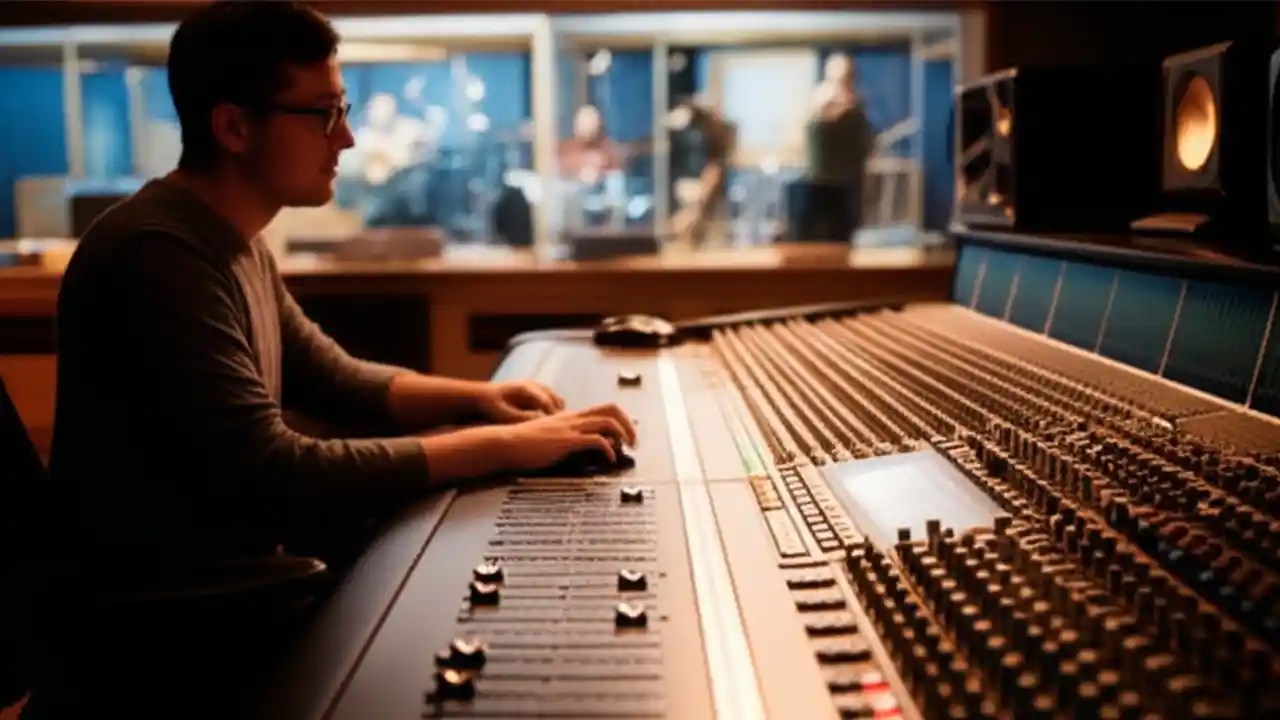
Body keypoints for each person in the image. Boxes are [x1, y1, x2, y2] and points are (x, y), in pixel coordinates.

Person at [34, 3, 636, 715]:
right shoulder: (157, 254)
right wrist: (499, 446)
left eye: (342, 109)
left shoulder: (233, 240)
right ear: (233, 127)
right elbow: (273, 467)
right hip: (168, 647)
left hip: (227, 606)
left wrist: (477, 401)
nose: (346, 137)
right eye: (323, 114)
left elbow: (335, 377)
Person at [791, 52, 874, 242]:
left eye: (847, 78)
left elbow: (865, 147)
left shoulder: (855, 110)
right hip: (821, 187)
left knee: (843, 236)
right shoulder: (819, 103)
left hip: (847, 187)